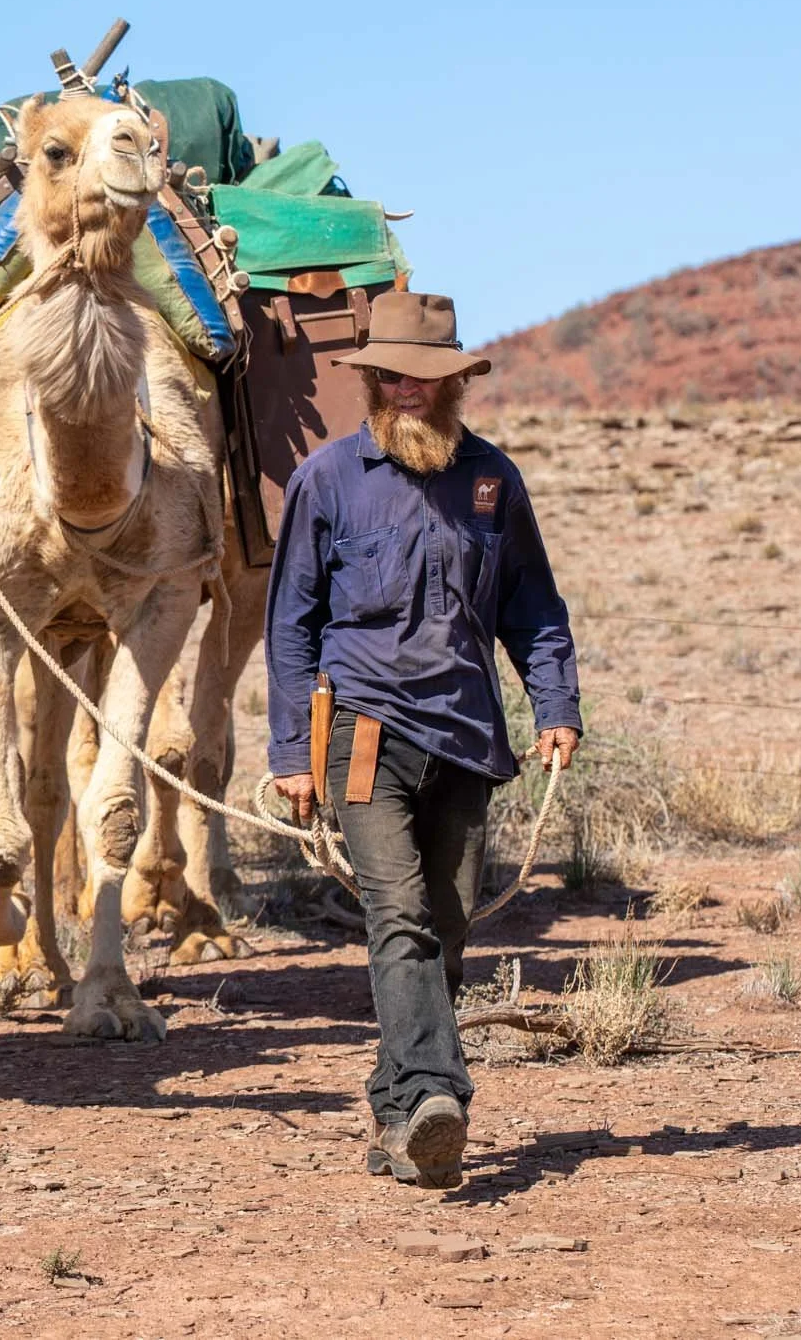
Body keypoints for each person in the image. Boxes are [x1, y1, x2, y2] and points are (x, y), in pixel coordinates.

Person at [263, 290, 581, 1189]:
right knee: (398, 913)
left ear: (454, 385)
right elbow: (290, 625)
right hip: (362, 731)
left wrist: (555, 704)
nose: (411, 390)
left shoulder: (493, 481)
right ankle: (438, 1095)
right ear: (372, 381)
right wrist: (291, 752)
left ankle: (399, 1113)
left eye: (427, 378)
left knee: (445, 924)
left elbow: (533, 607)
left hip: (467, 737)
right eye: (395, 376)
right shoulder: (327, 479)